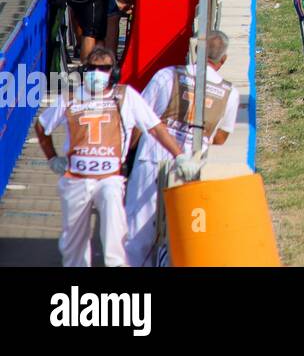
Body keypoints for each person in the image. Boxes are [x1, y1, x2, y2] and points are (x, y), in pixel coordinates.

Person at [35, 46, 194, 267]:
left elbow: (155, 127)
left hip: (109, 177)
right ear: (84, 69)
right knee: (72, 246)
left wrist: (179, 156)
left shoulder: (126, 97)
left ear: (113, 72)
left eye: (104, 68)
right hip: (76, 178)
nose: (97, 72)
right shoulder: (69, 99)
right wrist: (52, 158)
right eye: (92, 67)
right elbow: (42, 126)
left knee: (114, 236)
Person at [125, 31, 239, 267]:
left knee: (137, 232)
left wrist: (127, 157)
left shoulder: (167, 76)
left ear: (196, 51)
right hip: (192, 167)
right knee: (178, 232)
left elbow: (139, 120)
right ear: (223, 60)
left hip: (152, 160)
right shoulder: (230, 94)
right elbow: (220, 138)